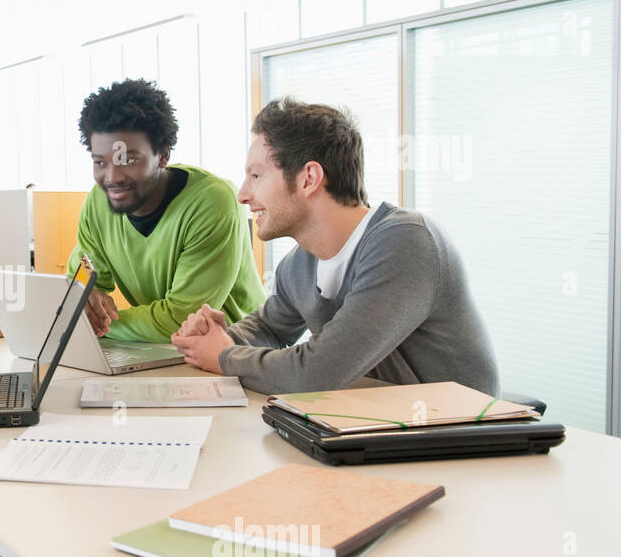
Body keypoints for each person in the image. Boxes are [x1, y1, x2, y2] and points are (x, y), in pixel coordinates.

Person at [171, 97, 499, 396]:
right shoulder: (298, 265)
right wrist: (217, 337)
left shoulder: (405, 242)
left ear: (309, 178)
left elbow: (315, 374)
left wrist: (225, 356)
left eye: (256, 176)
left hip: (457, 443)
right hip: (370, 429)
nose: (243, 195)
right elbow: (271, 329)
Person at [65, 78, 265, 343]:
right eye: (100, 162)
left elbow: (180, 318)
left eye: (129, 160)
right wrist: (83, 298)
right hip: (164, 351)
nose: (113, 177)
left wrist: (94, 325)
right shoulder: (98, 203)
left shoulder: (212, 202)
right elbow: (78, 284)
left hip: (238, 348)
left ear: (162, 155)